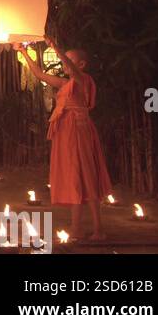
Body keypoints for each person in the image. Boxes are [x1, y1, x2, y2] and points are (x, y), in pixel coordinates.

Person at [16, 35, 112, 241]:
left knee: (86, 174)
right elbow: (40, 75)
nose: (62, 63)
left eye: (67, 60)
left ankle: (98, 229)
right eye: (63, 59)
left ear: (81, 64)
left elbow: (72, 69)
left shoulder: (83, 80)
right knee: (73, 176)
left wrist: (55, 47)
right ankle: (76, 228)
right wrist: (22, 52)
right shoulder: (65, 84)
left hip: (78, 129)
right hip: (66, 131)